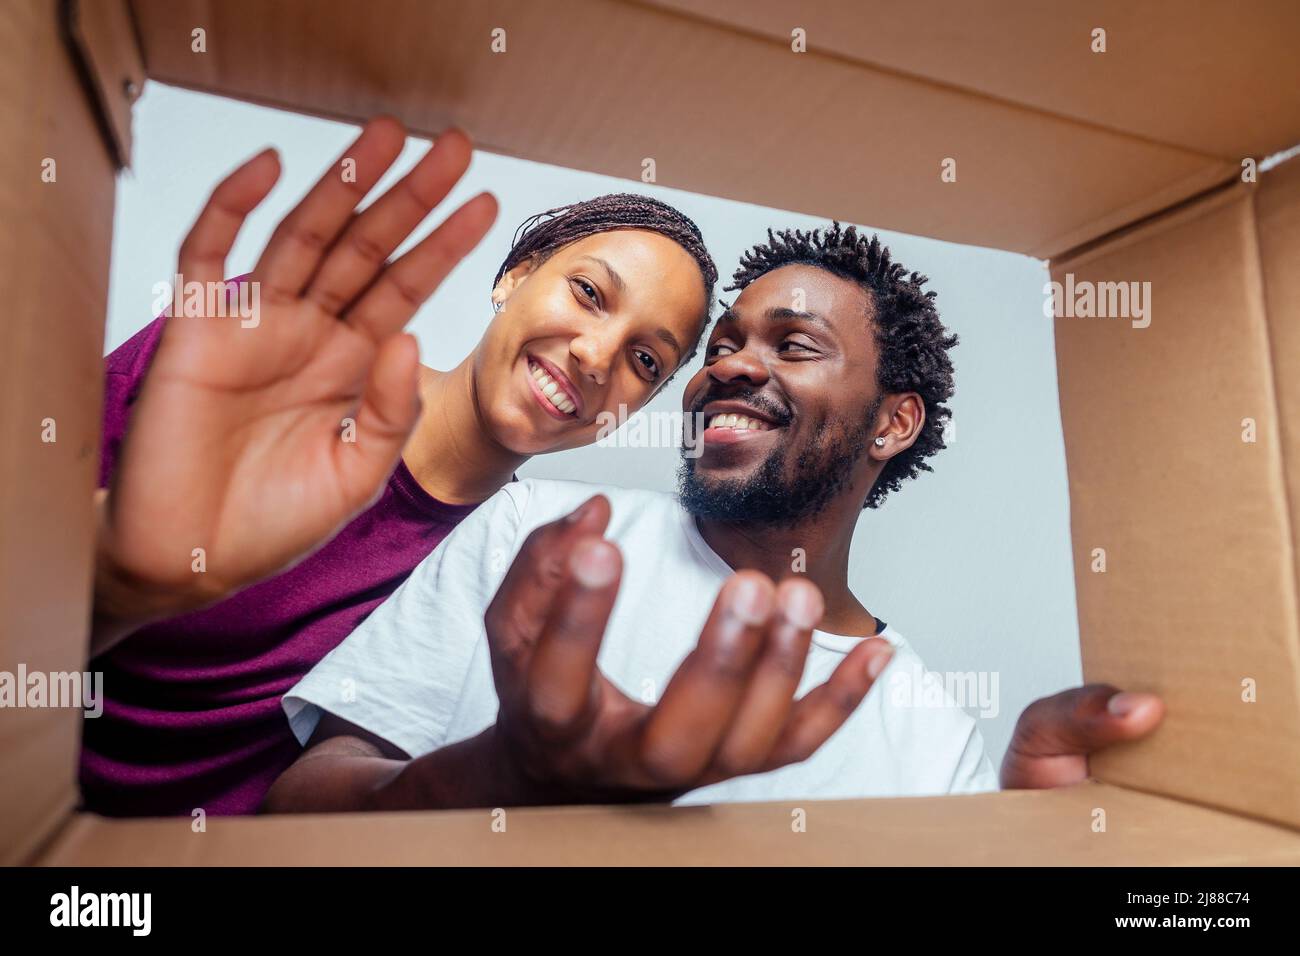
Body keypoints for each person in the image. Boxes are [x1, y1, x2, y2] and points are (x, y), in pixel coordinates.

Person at [263, 224, 1166, 812]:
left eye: (794, 345)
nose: (728, 367)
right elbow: (300, 802)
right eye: (723, 344)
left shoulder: (928, 733)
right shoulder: (540, 531)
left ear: (892, 422)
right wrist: (505, 775)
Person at [85, 116, 719, 816]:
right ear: (516, 274)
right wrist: (111, 580)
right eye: (590, 294)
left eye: (644, 361)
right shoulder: (266, 357)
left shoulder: (507, 566)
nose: (597, 357)